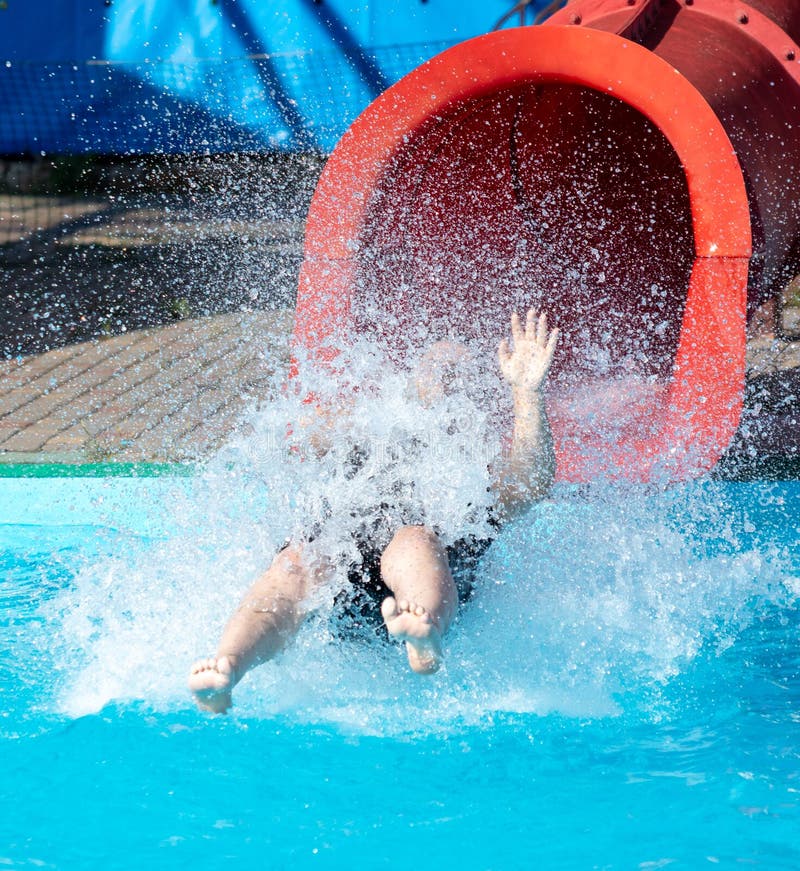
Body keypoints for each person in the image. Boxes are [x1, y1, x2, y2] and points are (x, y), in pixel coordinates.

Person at [189, 309, 559, 713]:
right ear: (412, 383)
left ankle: (425, 635)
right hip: (338, 593)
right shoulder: (371, 437)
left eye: (460, 384)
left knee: (413, 541)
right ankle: (229, 666)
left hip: (423, 592)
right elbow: (301, 440)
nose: (447, 390)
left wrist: (527, 395)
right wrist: (365, 415)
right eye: (438, 375)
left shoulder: (471, 474)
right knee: (296, 565)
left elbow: (531, 482)